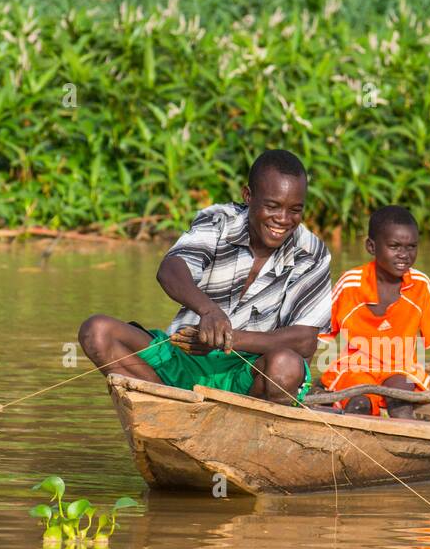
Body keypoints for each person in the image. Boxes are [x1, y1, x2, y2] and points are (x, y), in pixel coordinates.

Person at [77, 149, 331, 404]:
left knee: (286, 366)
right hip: (182, 355)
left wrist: (226, 340)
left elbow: (304, 340)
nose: (283, 219)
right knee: (96, 331)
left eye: (295, 210)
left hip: (248, 373)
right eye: (272, 206)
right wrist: (209, 311)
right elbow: (171, 269)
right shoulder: (219, 220)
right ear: (248, 196)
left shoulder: (312, 253)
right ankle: (170, 408)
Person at [318, 205, 430, 418]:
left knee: (400, 400)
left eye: (411, 247)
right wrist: (300, 383)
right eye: (395, 246)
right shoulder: (350, 284)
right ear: (372, 247)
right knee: (359, 405)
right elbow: (317, 334)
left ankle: (405, 443)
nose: (404, 255)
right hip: (356, 368)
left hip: (402, 369)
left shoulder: (420, 284)